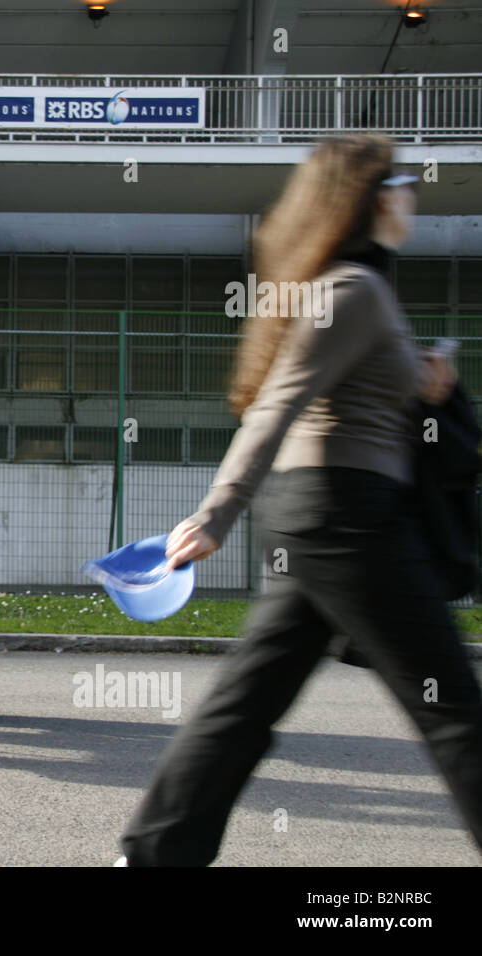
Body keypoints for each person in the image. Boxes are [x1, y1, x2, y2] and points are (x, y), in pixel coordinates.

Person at [115, 134, 482, 866]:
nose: (413, 192)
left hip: (321, 515)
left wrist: (427, 380)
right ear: (370, 198)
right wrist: (216, 512)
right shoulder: (352, 289)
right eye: (402, 180)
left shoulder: (353, 287)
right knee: (453, 709)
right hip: (350, 519)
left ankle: (156, 855)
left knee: (248, 703)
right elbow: (278, 404)